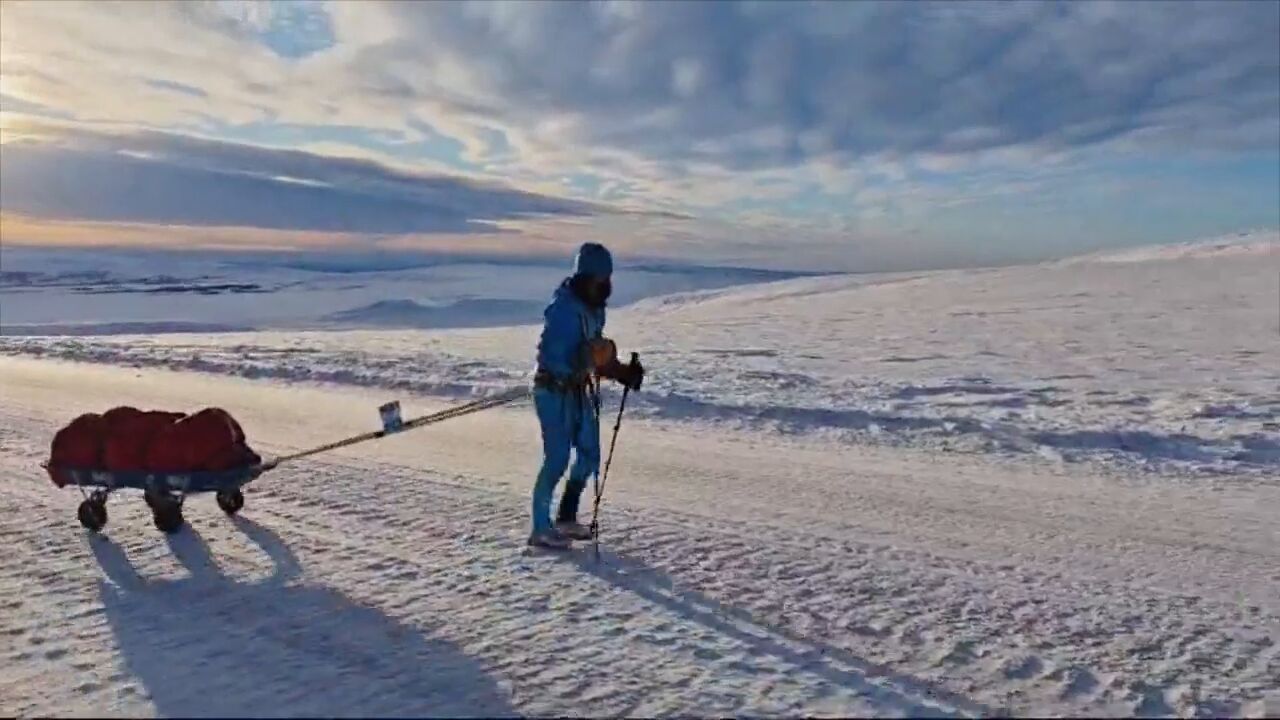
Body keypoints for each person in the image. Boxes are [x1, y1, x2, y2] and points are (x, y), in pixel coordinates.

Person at [529, 242, 643, 549]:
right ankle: (540, 528)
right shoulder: (562, 310)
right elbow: (559, 354)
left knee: (590, 454)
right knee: (557, 459)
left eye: (607, 280)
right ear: (584, 278)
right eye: (600, 280)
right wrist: (590, 356)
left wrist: (622, 372)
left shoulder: (594, 310)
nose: (605, 287)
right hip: (552, 391)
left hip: (578, 390)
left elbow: (595, 359)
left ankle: (566, 517)